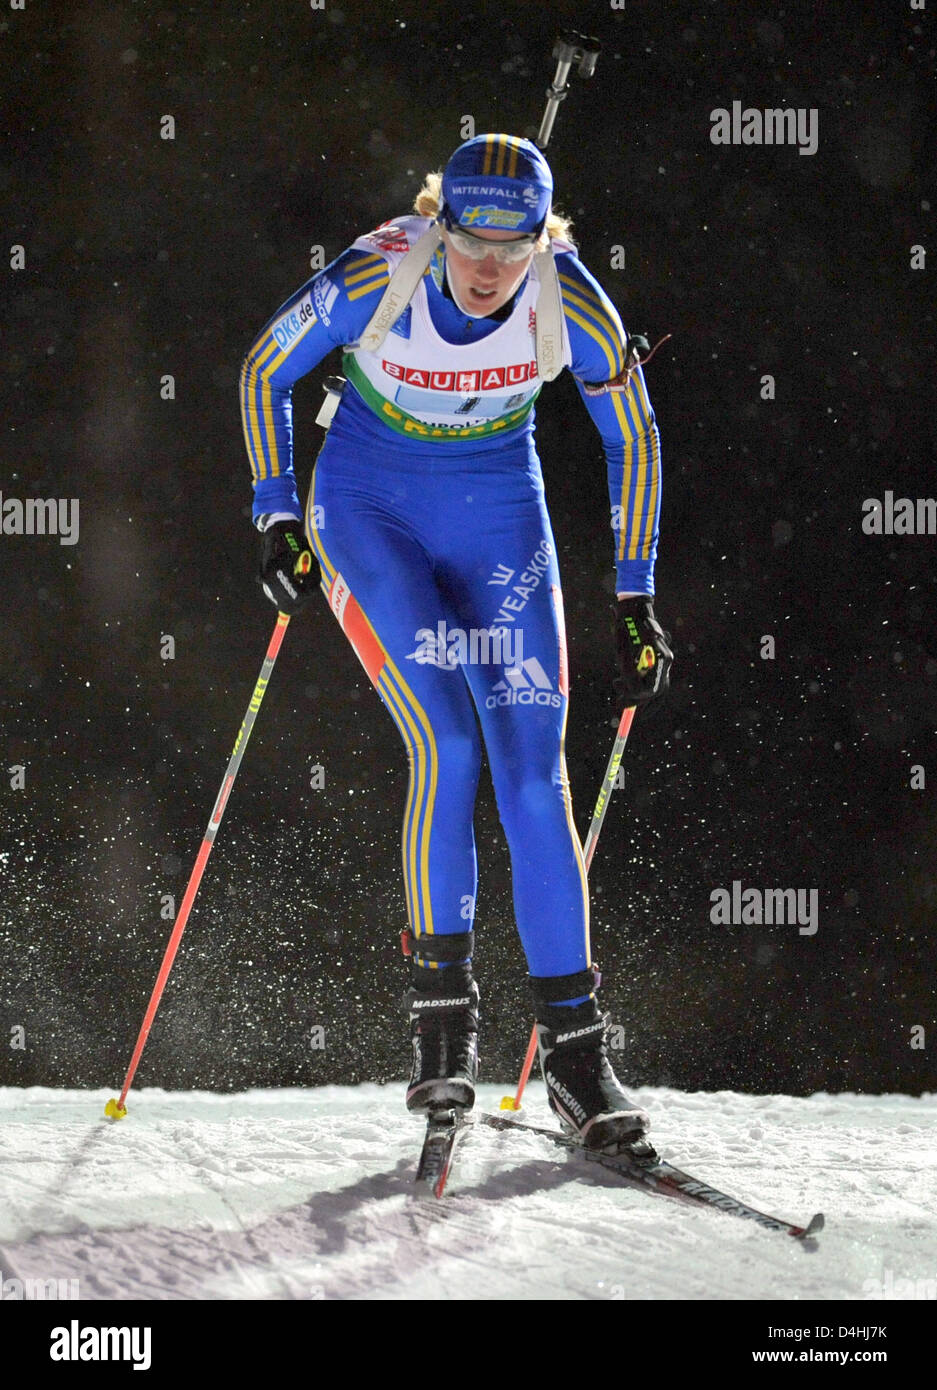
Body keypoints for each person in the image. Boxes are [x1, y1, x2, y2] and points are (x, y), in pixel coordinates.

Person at [240, 134, 672, 1150]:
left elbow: (634, 434)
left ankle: (575, 1055)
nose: (485, 271)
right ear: (440, 227)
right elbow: (266, 368)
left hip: (498, 521)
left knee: (533, 775)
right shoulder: (377, 272)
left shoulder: (566, 299)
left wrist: (634, 594)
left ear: (539, 239)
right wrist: (274, 516)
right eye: (469, 245)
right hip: (366, 510)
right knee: (449, 742)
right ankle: (444, 1035)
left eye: (509, 250)